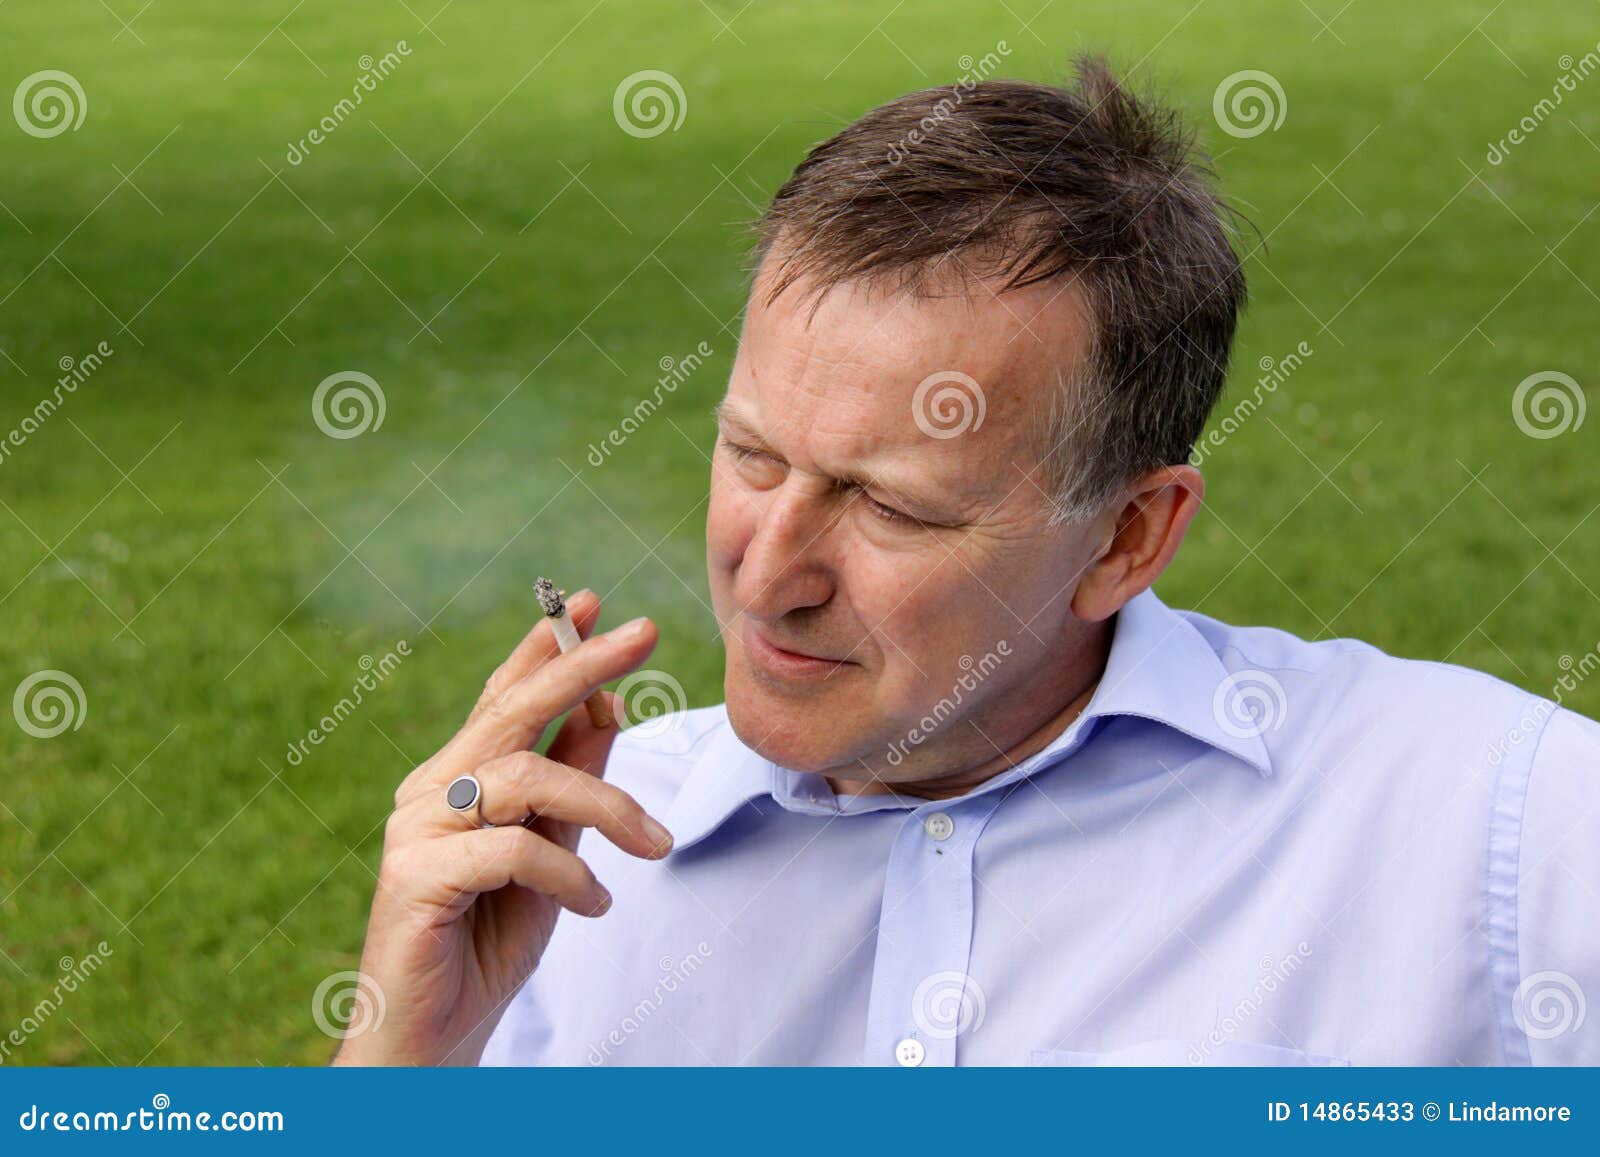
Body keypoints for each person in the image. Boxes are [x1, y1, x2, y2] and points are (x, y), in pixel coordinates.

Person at [334, 57, 1600, 1067]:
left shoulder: (1488, 819)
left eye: (890, 506)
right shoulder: (572, 862)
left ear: (1127, 536)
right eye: (754, 458)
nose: (765, 576)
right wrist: (402, 1067)